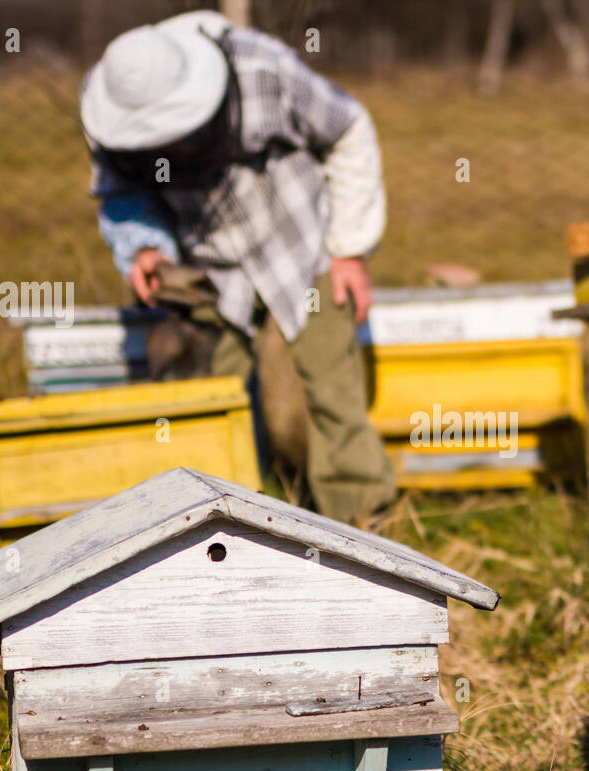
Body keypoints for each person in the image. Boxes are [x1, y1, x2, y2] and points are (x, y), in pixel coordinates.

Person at [79, 9, 397, 523]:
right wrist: (143, 247)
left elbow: (348, 126)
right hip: (203, 260)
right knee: (213, 396)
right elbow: (121, 191)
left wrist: (349, 249)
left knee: (328, 387)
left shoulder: (263, 70)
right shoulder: (107, 106)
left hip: (298, 241)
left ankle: (365, 527)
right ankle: (231, 527)